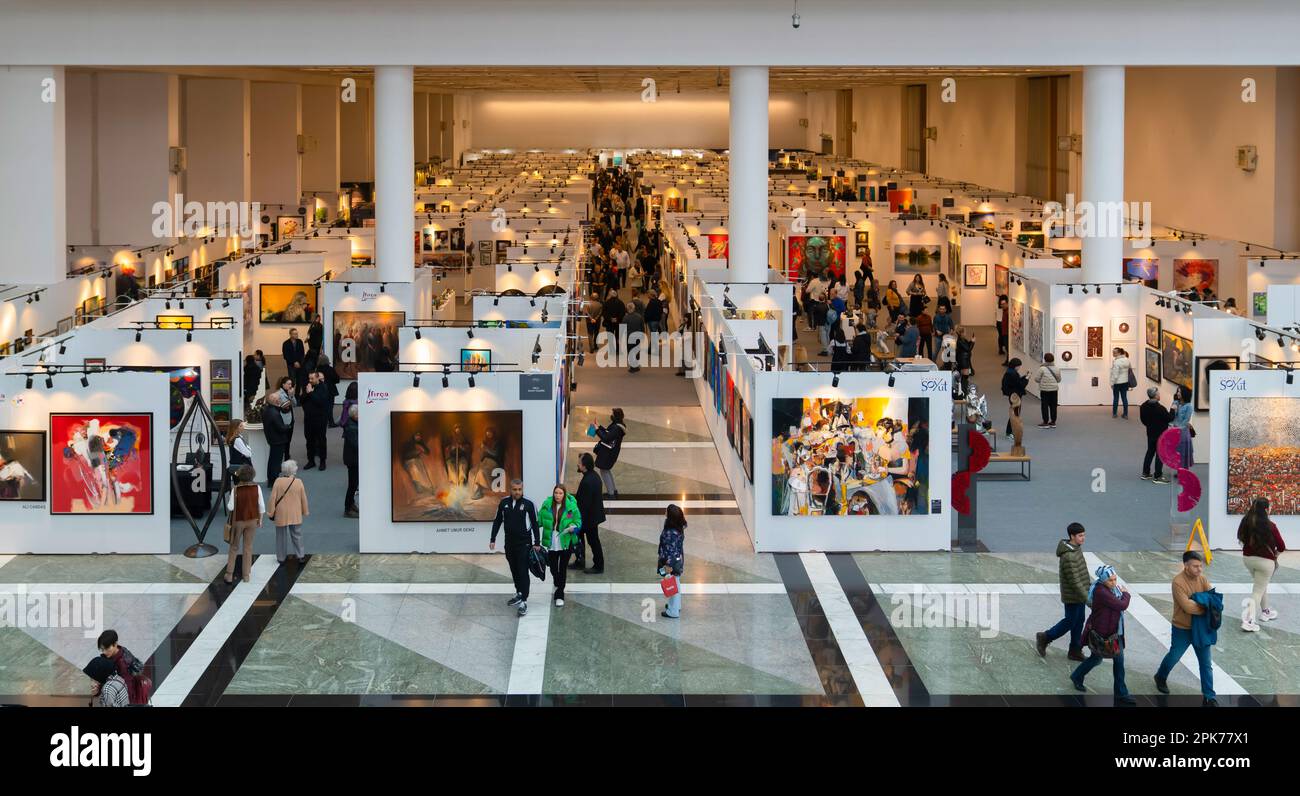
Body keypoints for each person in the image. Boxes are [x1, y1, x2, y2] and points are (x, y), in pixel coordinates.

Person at [1154, 551, 1218, 706]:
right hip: (1182, 628)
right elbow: (1187, 607)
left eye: (1200, 566)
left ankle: (1209, 696)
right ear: (1186, 566)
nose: (1199, 569)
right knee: (1174, 656)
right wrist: (1205, 606)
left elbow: (1214, 600)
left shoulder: (1202, 579)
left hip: (1200, 628)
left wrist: (1205, 604)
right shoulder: (1178, 582)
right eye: (1195, 566)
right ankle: (1160, 676)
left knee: (1205, 663)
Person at [1070, 565, 1136, 705]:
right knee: (1096, 659)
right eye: (1111, 580)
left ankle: (1120, 693)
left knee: (1118, 662)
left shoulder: (1111, 589)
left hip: (1114, 632)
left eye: (1115, 579)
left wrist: (1121, 594)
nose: (1114, 583)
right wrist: (1126, 594)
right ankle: (1077, 676)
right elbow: (1122, 605)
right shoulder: (1101, 591)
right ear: (1103, 580)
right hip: (1103, 634)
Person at [1036, 522, 1090, 662]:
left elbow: (1081, 572)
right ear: (1072, 536)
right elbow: (1074, 581)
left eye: (1084, 535)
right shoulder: (1069, 556)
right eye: (1080, 535)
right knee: (1070, 621)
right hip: (1073, 595)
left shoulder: (1076, 548)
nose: (1083, 538)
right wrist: (1088, 598)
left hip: (1080, 594)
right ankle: (1045, 637)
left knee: (1079, 621)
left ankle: (1075, 650)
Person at [489, 479, 541, 617]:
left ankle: (524, 600)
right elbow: (497, 521)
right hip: (509, 543)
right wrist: (492, 539)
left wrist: (537, 542)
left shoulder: (529, 504)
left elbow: (535, 524)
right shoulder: (504, 502)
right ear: (510, 489)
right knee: (514, 570)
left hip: (524, 543)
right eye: (514, 489)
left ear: (522, 489)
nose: (517, 492)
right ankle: (519, 593)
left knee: (523, 571)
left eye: (519, 489)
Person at [1237, 497, 1286, 631]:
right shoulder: (1271, 526)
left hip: (1248, 559)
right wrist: (1275, 554)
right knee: (1257, 591)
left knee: (1260, 586)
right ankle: (1248, 620)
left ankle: (1266, 612)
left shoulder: (1245, 522)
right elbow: (1281, 546)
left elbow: (1240, 539)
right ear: (1266, 509)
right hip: (1265, 562)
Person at [538, 484, 582, 607]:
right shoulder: (547, 505)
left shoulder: (571, 507)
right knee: (552, 567)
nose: (557, 495)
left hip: (565, 541)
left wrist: (573, 527)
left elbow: (578, 521)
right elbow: (539, 520)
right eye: (556, 493)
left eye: (560, 493)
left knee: (562, 568)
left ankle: (560, 594)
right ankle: (558, 582)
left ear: (564, 494)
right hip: (552, 541)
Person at [224, 465, 264, 582]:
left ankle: (229, 574)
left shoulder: (235, 489)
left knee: (234, 547)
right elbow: (261, 506)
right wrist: (260, 519)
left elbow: (230, 507)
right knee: (248, 547)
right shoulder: (257, 488)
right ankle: (246, 575)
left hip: (238, 521)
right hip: (252, 520)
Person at [269, 459, 310, 563]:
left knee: (280, 536)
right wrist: (305, 511)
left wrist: (271, 512)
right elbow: (303, 498)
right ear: (294, 470)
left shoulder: (278, 481)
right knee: (297, 534)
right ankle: (300, 555)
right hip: (295, 512)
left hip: (281, 513)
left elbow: (273, 498)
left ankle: (281, 558)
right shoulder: (298, 482)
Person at [572, 452, 606, 574]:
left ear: (584, 466)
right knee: (590, 540)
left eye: (579, 463)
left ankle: (598, 565)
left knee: (592, 541)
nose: (577, 464)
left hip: (588, 518)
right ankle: (581, 561)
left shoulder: (587, 482)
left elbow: (583, 504)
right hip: (593, 516)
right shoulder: (594, 476)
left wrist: (576, 520)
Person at [261, 378, 295, 489]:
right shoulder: (274, 413)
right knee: (276, 462)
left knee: (272, 460)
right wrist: (288, 427)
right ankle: (273, 481)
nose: (280, 400)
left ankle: (271, 479)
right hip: (278, 440)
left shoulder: (268, 410)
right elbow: (281, 427)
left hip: (272, 439)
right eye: (279, 399)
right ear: (276, 401)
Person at [657, 504, 687, 619]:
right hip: (677, 558)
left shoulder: (670, 533)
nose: (665, 512)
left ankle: (673, 611)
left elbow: (670, 550)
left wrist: (667, 566)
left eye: (666, 511)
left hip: (670, 561)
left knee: (672, 583)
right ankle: (675, 605)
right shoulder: (678, 527)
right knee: (676, 582)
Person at [1139, 387, 1173, 484]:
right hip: (1161, 435)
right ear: (1155, 396)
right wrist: (1173, 409)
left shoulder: (1143, 406)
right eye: (1158, 393)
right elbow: (1169, 418)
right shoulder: (1161, 409)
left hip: (1150, 433)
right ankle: (1157, 476)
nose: (1159, 395)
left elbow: (1143, 420)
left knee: (1150, 452)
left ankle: (1145, 473)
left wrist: (1150, 426)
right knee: (1160, 454)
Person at [593, 408, 627, 498]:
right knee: (606, 470)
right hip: (610, 452)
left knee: (604, 471)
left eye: (612, 414)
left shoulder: (617, 427)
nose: (611, 415)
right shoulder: (618, 425)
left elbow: (606, 438)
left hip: (608, 453)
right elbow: (609, 433)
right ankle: (613, 490)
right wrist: (599, 427)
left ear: (615, 416)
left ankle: (611, 493)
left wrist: (597, 430)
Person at [301, 370, 332, 470]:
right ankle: (311, 461)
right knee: (309, 440)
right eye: (309, 378)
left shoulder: (323, 387)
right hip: (308, 419)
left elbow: (320, 402)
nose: (310, 380)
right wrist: (306, 393)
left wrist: (310, 393)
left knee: (321, 440)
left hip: (320, 419)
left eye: (312, 378)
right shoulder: (307, 386)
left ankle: (323, 461)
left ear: (318, 378)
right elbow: (302, 400)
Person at [1000, 358, 1028, 438]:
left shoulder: (1009, 372)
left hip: (1012, 395)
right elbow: (1021, 385)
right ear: (1015, 366)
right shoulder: (1013, 374)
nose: (1019, 367)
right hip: (1015, 396)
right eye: (1019, 366)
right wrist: (1027, 379)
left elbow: (1017, 382)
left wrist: (1024, 377)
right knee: (1015, 415)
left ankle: (1011, 431)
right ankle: (1009, 432)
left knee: (1015, 414)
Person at [1170, 385, 1195, 468]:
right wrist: (1173, 410)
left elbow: (1185, 421)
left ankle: (1184, 471)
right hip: (1175, 431)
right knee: (1176, 451)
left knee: (1183, 451)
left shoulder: (1189, 406)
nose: (1177, 393)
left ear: (1184, 393)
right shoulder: (1175, 403)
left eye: (1179, 391)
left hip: (1183, 433)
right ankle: (1179, 469)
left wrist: (1176, 427)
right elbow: (1171, 418)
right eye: (1177, 391)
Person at [1034, 353, 1061, 428]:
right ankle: (1053, 422)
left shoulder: (1042, 368)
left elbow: (1036, 379)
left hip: (1044, 390)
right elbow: (1059, 380)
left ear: (1045, 359)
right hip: (1054, 390)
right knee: (1053, 405)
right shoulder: (1057, 368)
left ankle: (1045, 422)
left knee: (1044, 405)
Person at [342, 404, 360, 518]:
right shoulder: (351, 428)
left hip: (352, 458)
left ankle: (351, 503)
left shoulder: (352, 424)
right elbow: (356, 445)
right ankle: (348, 508)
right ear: (354, 415)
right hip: (352, 460)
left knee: (354, 483)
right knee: (352, 484)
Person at [282, 328, 306, 399]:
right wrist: (294, 362)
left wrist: (299, 363)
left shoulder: (300, 342)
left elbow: (302, 353)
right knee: (292, 381)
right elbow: (286, 355)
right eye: (295, 334)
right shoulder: (286, 343)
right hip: (291, 365)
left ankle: (297, 396)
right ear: (291, 334)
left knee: (299, 381)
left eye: (297, 333)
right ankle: (290, 396)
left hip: (300, 365)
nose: (296, 335)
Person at [1109, 347, 1133, 419]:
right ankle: (1125, 414)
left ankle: (1114, 414)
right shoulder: (1127, 360)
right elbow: (1130, 370)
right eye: (1113, 352)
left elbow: (1115, 375)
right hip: (1125, 382)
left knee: (1116, 398)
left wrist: (1112, 383)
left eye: (1115, 352)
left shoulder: (1116, 362)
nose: (1113, 353)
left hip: (1117, 383)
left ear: (1119, 353)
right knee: (1124, 398)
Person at [624, 300, 645, 373]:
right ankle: (636, 365)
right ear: (634, 308)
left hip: (629, 337)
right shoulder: (639, 317)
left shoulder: (625, 318)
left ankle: (633, 367)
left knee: (630, 351)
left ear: (627, 309)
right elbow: (642, 327)